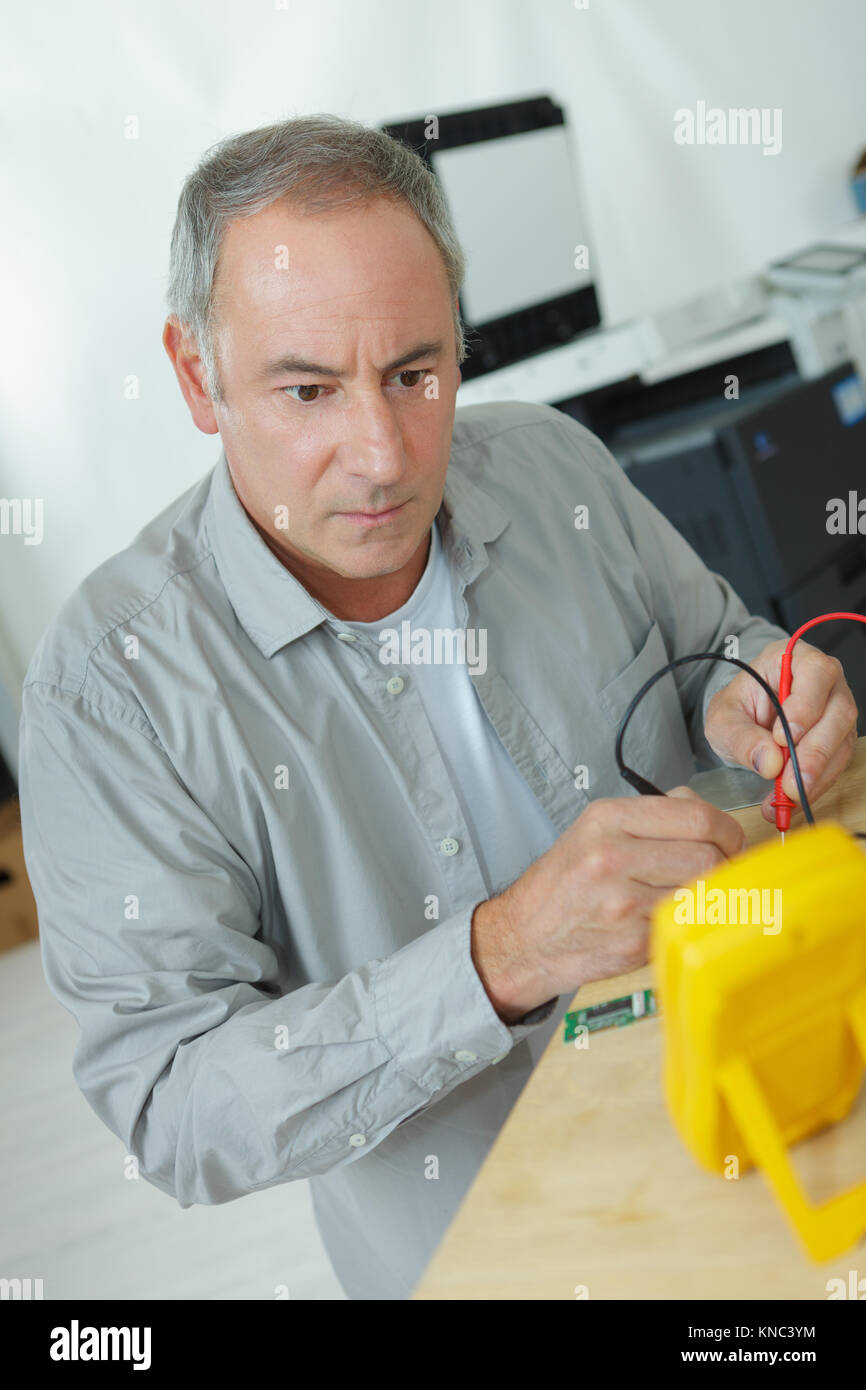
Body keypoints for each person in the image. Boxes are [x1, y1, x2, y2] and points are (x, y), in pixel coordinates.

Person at [17, 115, 858, 1301]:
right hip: (501, 1253)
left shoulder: (552, 465)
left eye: (416, 373)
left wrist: (755, 687)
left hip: (779, 1110)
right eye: (306, 389)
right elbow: (174, 1106)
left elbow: (718, 643)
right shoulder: (109, 692)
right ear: (196, 377)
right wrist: (499, 955)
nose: (380, 454)